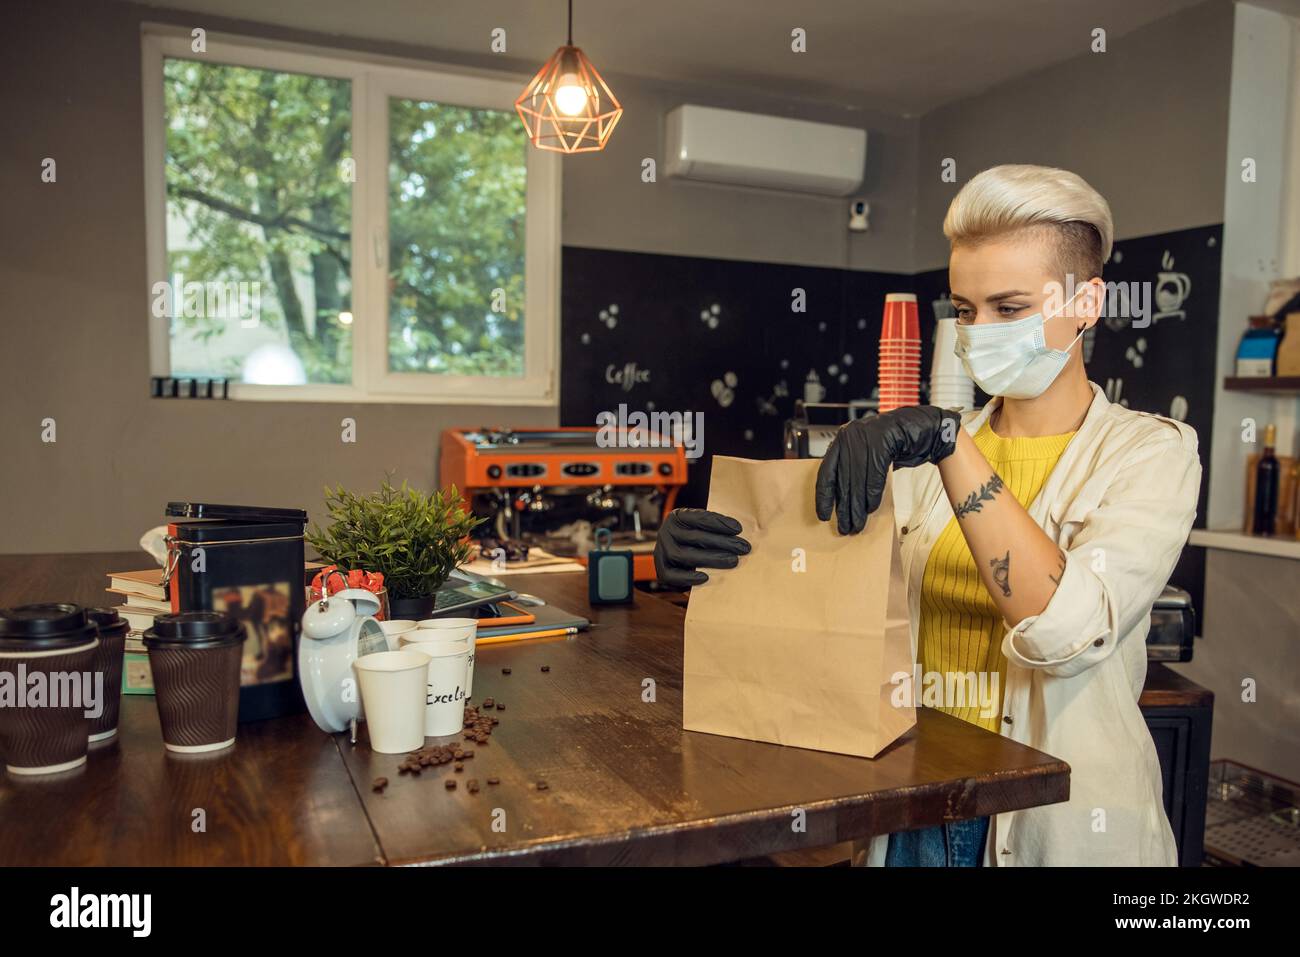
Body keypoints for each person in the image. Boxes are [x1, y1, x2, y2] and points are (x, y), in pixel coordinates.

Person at [654, 164, 1201, 867]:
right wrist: (713, 554)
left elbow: (1068, 632)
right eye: (965, 311)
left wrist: (949, 442)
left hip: (1054, 824)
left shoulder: (1150, 453)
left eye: (1008, 309)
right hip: (910, 809)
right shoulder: (923, 455)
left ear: (1086, 302)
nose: (980, 332)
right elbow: (824, 587)